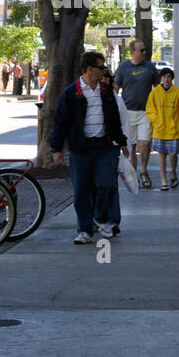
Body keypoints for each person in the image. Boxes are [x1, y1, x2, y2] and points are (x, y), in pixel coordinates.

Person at [50, 51, 130, 244]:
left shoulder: (106, 92)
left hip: (105, 146)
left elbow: (115, 120)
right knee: (81, 190)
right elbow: (60, 122)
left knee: (107, 185)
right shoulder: (71, 93)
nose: (104, 71)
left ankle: (100, 217)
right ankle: (84, 229)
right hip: (81, 147)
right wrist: (57, 149)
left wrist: (122, 142)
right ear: (89, 69)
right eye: (101, 67)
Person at [116, 40, 160, 188]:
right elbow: (116, 87)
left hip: (145, 112)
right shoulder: (123, 67)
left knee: (145, 143)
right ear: (132, 52)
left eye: (145, 50)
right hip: (128, 112)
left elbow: (157, 88)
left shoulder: (150, 68)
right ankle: (134, 175)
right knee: (132, 146)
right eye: (141, 50)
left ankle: (144, 171)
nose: (144, 52)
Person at [145, 67, 179, 192]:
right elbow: (149, 110)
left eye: (168, 77)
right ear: (161, 79)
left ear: (172, 78)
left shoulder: (178, 92)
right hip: (159, 129)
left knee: (173, 155)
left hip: (173, 129)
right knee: (162, 155)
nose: (166, 79)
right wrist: (156, 120)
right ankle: (163, 180)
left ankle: (173, 173)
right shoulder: (155, 92)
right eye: (164, 77)